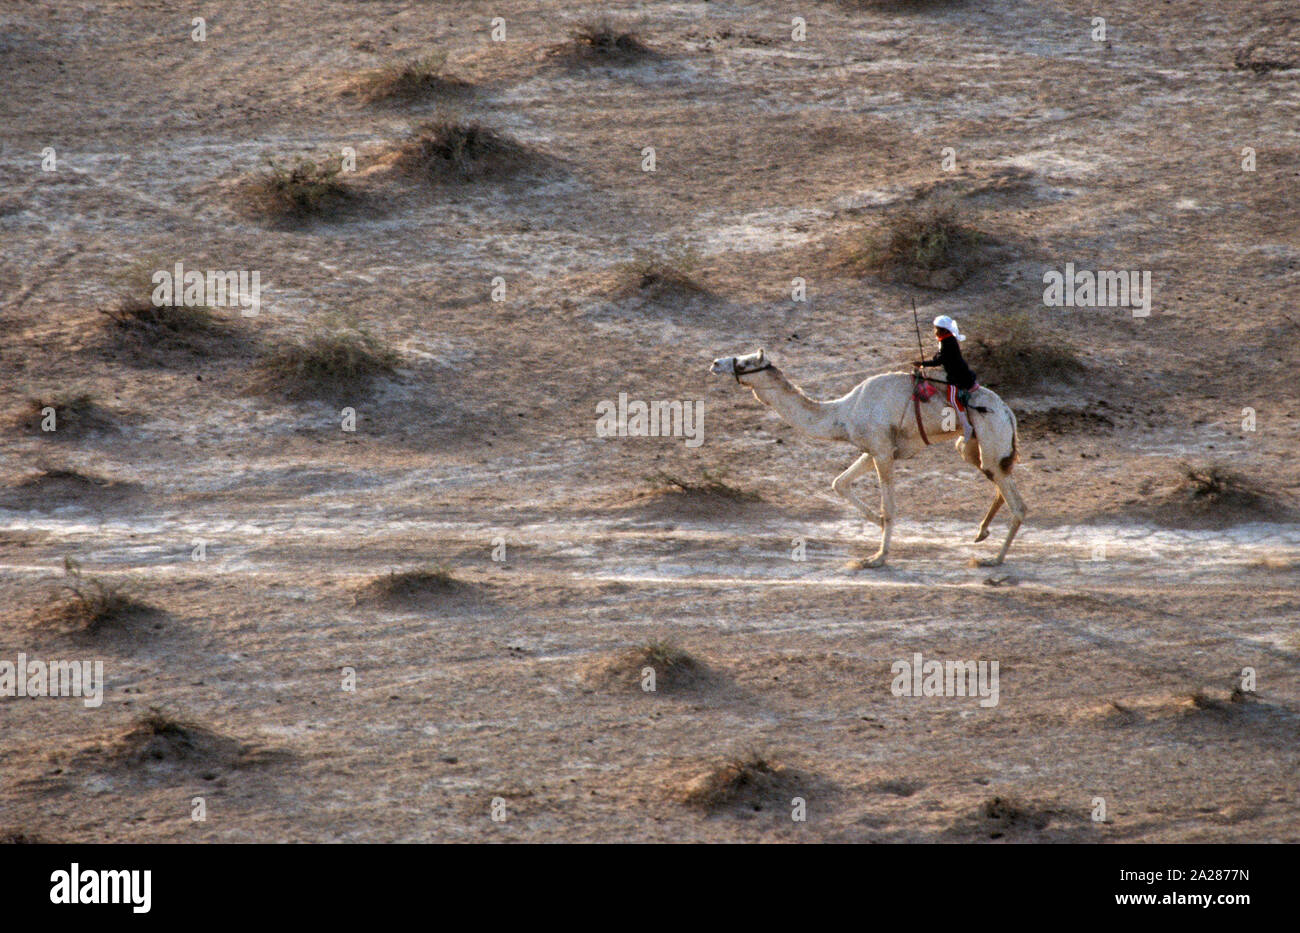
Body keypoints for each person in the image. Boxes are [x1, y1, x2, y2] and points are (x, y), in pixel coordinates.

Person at [913, 315, 978, 441]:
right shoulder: (945, 340)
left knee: (952, 399)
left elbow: (940, 360)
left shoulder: (948, 342)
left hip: (957, 376)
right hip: (955, 372)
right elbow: (938, 357)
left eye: (936, 328)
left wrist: (922, 364)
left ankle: (966, 426)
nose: (934, 331)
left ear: (943, 330)